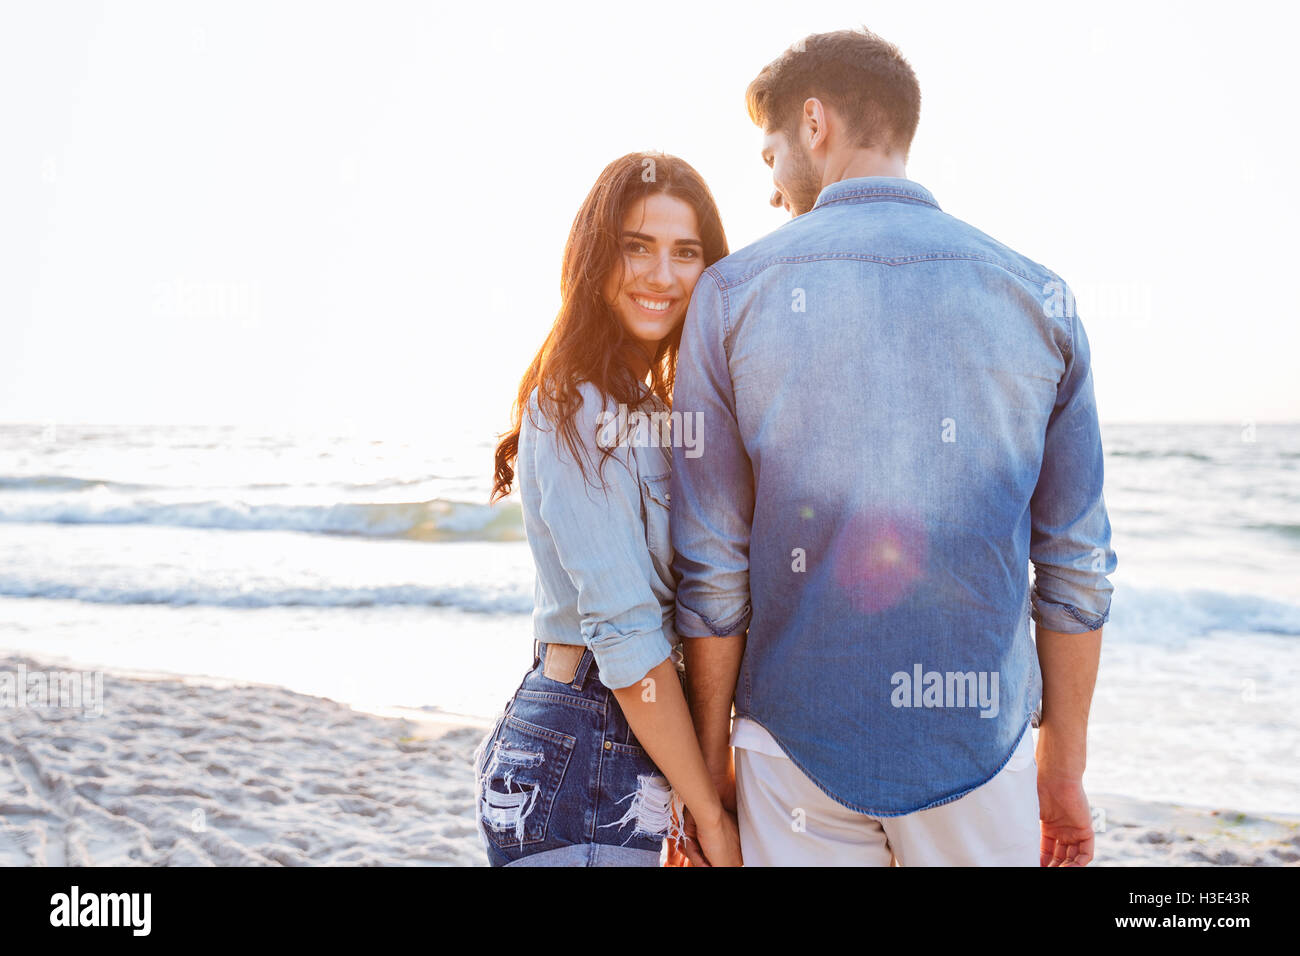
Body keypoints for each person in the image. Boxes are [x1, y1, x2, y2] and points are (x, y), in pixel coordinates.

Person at [671, 27, 1117, 867]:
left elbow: (713, 568)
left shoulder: (730, 296)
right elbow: (1076, 563)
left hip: (791, 748)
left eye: (769, 157)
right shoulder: (1041, 298)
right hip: (982, 753)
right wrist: (1063, 765)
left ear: (813, 124)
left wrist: (713, 756)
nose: (770, 190)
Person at [478, 151, 742, 866]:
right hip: (588, 753)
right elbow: (625, 638)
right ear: (596, 257)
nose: (662, 275)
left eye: (685, 252)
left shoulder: (642, 406)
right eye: (637, 247)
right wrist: (711, 816)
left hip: (622, 753)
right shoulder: (574, 404)